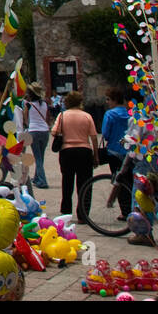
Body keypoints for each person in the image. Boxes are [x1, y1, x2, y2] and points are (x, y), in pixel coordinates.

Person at [52, 90, 99, 219]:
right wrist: (96, 155)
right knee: (85, 184)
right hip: (84, 151)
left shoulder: (62, 116)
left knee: (67, 181)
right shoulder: (86, 116)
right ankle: (83, 213)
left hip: (67, 151)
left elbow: (54, 132)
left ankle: (66, 211)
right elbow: (94, 137)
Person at [100, 87, 131, 219]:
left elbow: (105, 134)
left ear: (113, 100)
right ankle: (132, 208)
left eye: (108, 99)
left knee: (118, 180)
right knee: (130, 181)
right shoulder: (130, 113)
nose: (107, 102)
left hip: (114, 151)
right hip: (129, 151)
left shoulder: (110, 114)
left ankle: (124, 211)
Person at [23, 85, 51, 188]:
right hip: (45, 131)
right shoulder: (44, 104)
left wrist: (27, 125)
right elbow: (47, 117)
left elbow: (25, 119)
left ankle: (42, 181)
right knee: (40, 157)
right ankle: (37, 177)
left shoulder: (28, 105)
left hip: (34, 131)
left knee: (37, 157)